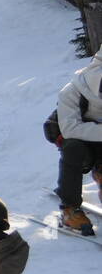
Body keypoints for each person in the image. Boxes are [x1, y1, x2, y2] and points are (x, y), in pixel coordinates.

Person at [53, 46, 102, 235]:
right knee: (72, 147)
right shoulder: (72, 92)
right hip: (82, 148)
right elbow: (68, 129)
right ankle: (69, 207)